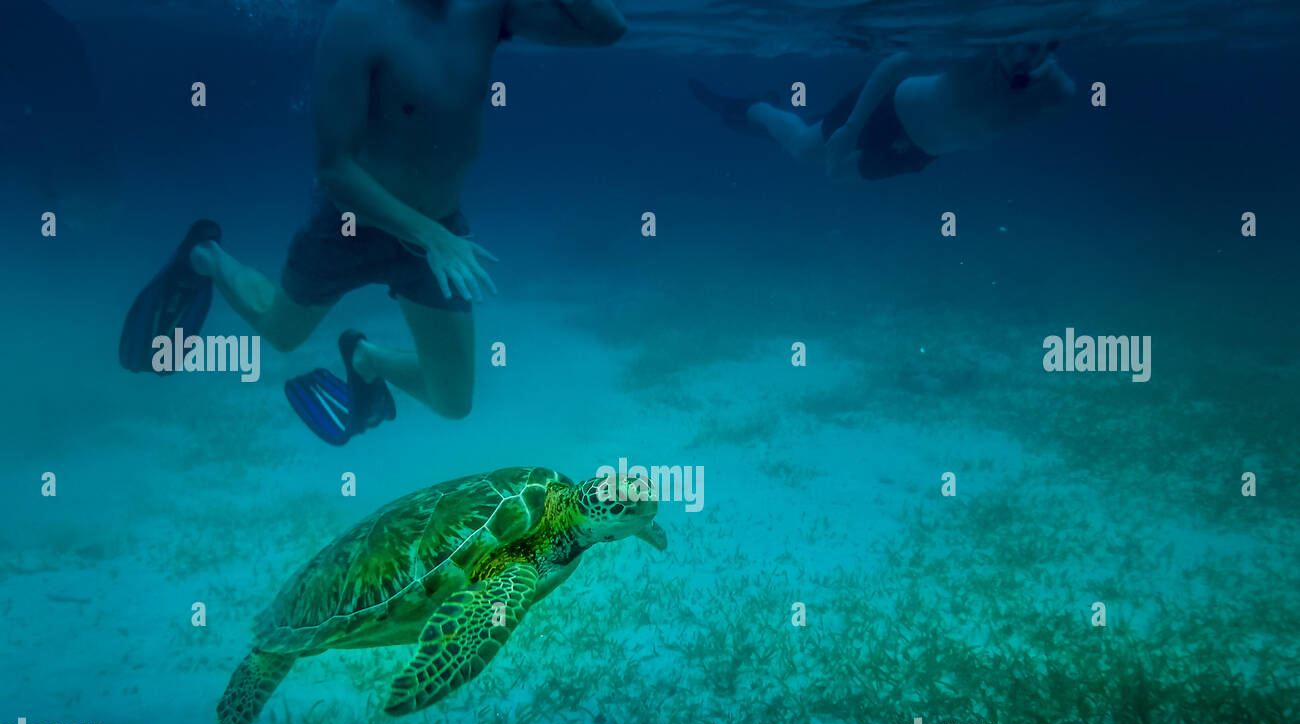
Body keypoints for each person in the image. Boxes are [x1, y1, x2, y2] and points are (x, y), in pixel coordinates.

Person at [119, 0, 627, 446]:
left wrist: (434, 236)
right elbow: (333, 169)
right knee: (281, 331)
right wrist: (432, 237)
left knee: (452, 402)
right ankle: (205, 255)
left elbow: (606, 29)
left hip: (437, 230)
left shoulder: (486, 7)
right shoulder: (358, 18)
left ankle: (364, 357)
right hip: (351, 227)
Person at [690, 41, 1076, 183]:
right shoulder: (978, 51)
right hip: (889, 110)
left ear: (1050, 48)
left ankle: (797, 121)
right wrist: (852, 127)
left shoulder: (1056, 90)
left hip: (920, 153)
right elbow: (896, 65)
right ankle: (757, 108)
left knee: (834, 173)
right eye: (1013, 44)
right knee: (805, 151)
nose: (1014, 55)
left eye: (1030, 48)